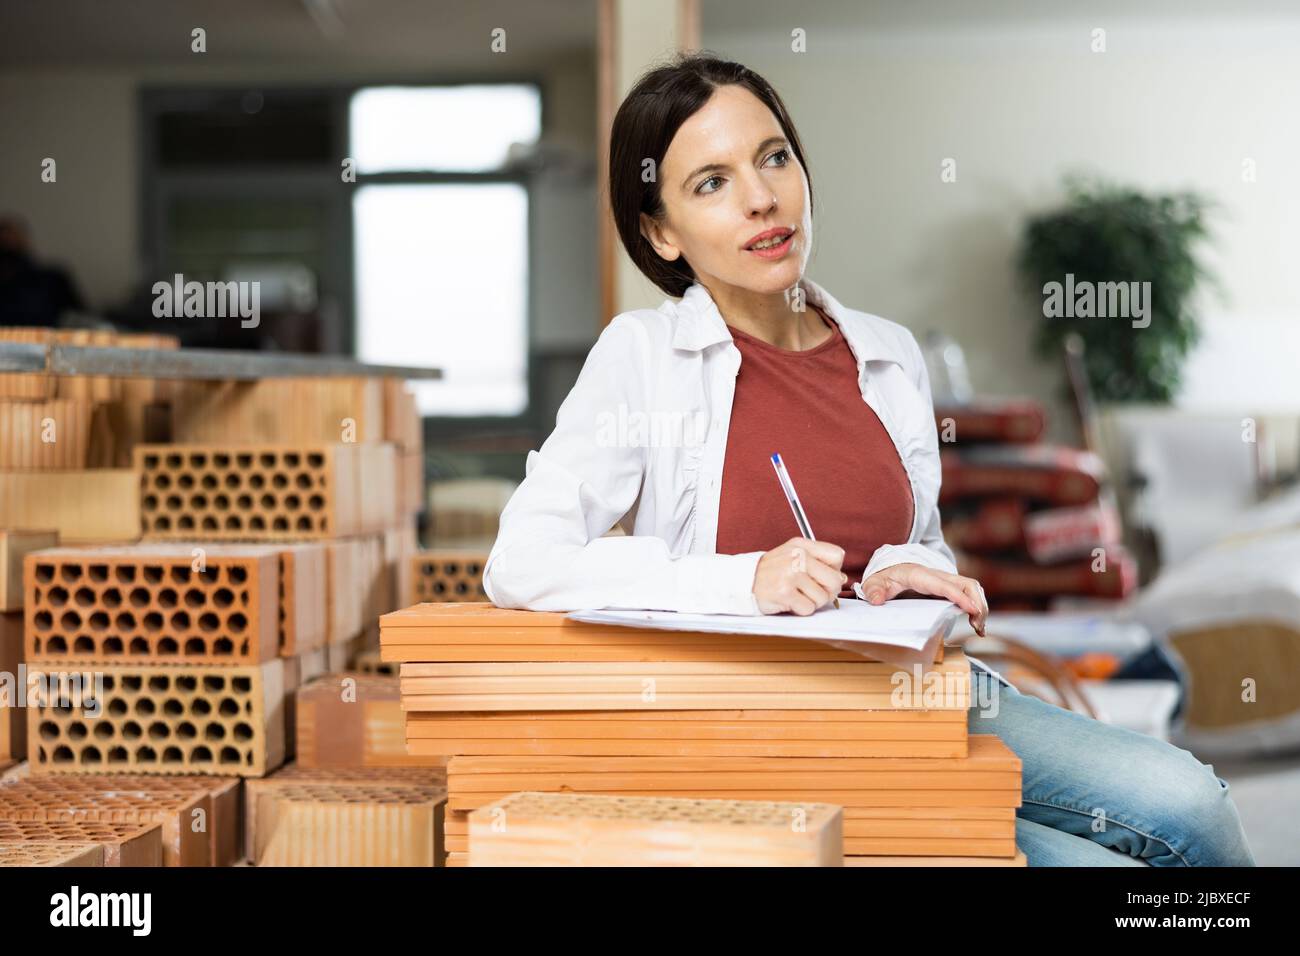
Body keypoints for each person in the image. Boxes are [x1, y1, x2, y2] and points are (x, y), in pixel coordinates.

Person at [483, 52, 1255, 866]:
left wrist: (911, 568)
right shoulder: (641, 355)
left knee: (1194, 805)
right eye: (711, 182)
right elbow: (521, 561)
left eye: (773, 157)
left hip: (922, 692)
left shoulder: (886, 353)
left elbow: (919, 543)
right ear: (660, 231)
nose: (760, 196)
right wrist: (740, 581)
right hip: (767, 725)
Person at [0, 214, 86, 327]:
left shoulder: (53, 278)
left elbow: (79, 316)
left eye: (12, 238)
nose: (8, 242)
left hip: (49, 339)